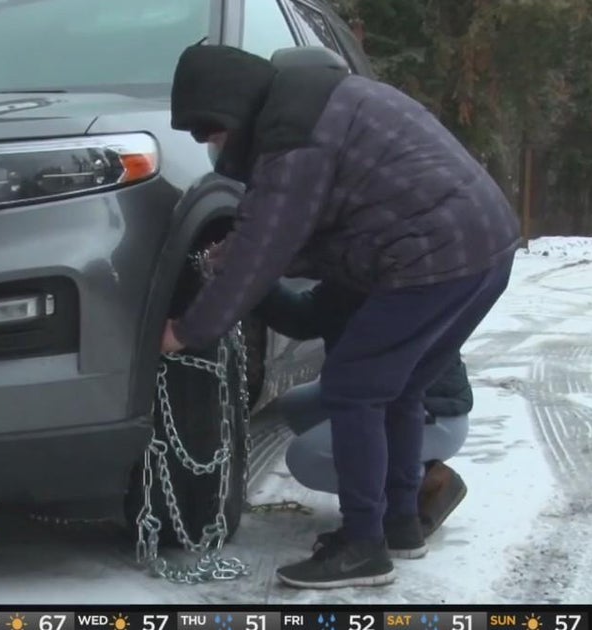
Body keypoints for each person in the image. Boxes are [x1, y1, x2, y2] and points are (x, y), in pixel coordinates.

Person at [161, 44, 520, 589]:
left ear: (231, 110)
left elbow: (266, 243)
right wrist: (236, 261)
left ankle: (362, 548)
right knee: (399, 388)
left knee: (353, 387)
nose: (214, 148)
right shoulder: (333, 103)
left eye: (212, 134)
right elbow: (318, 228)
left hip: (434, 255)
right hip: (485, 247)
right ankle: (400, 524)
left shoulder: (292, 139)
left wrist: (186, 330)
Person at [249, 279, 471, 545]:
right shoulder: (356, 265)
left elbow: (375, 384)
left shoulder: (395, 275)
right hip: (389, 395)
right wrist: (255, 281)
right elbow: (306, 317)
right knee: (296, 405)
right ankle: (397, 469)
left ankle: (421, 483)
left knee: (306, 457)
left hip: (433, 413)